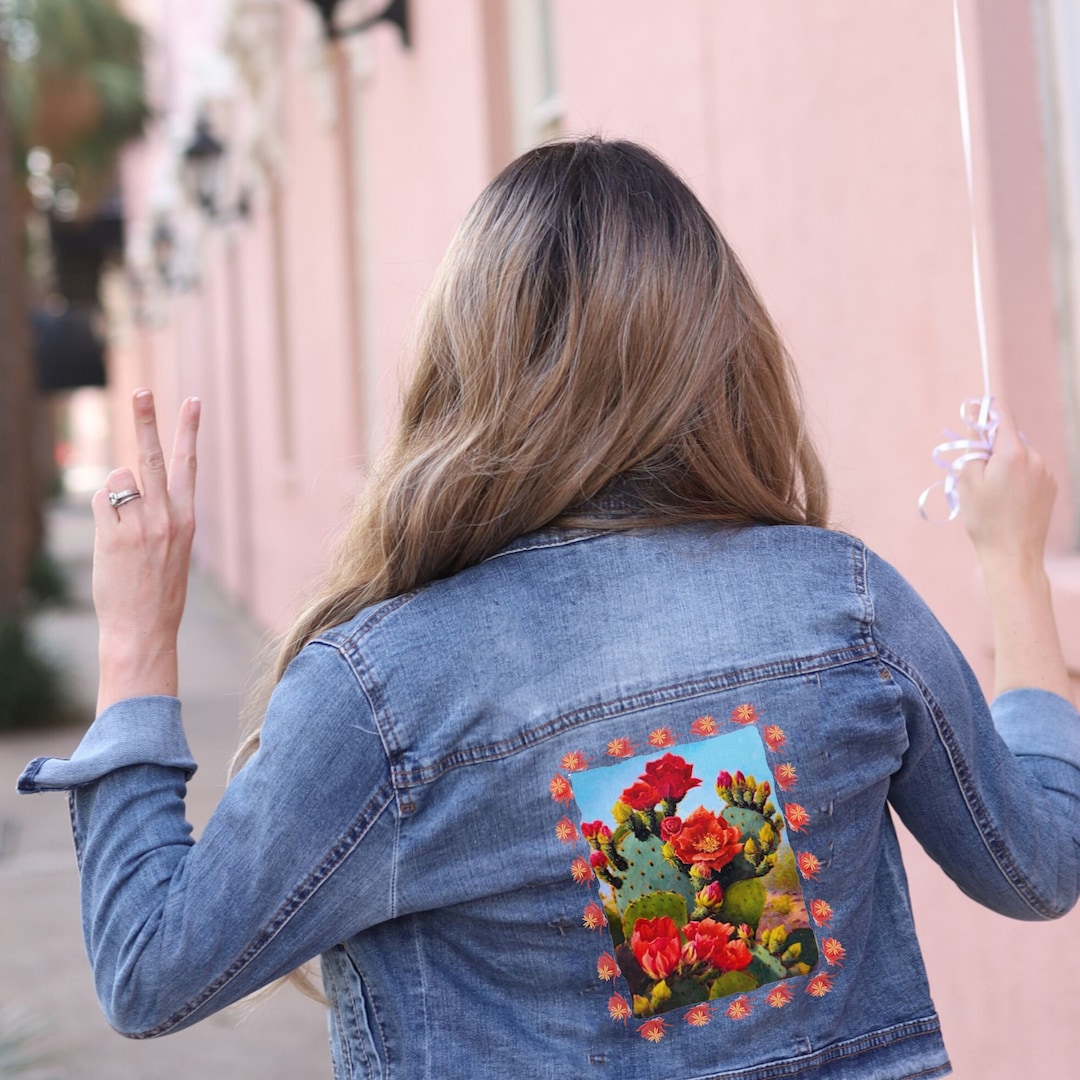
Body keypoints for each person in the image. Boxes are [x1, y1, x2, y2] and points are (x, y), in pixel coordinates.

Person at [17, 138, 1080, 1080]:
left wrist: (135, 638)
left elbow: (151, 970)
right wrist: (1013, 565)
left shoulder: (387, 688)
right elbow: (1039, 866)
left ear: (466, 361)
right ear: (722, 348)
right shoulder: (845, 606)